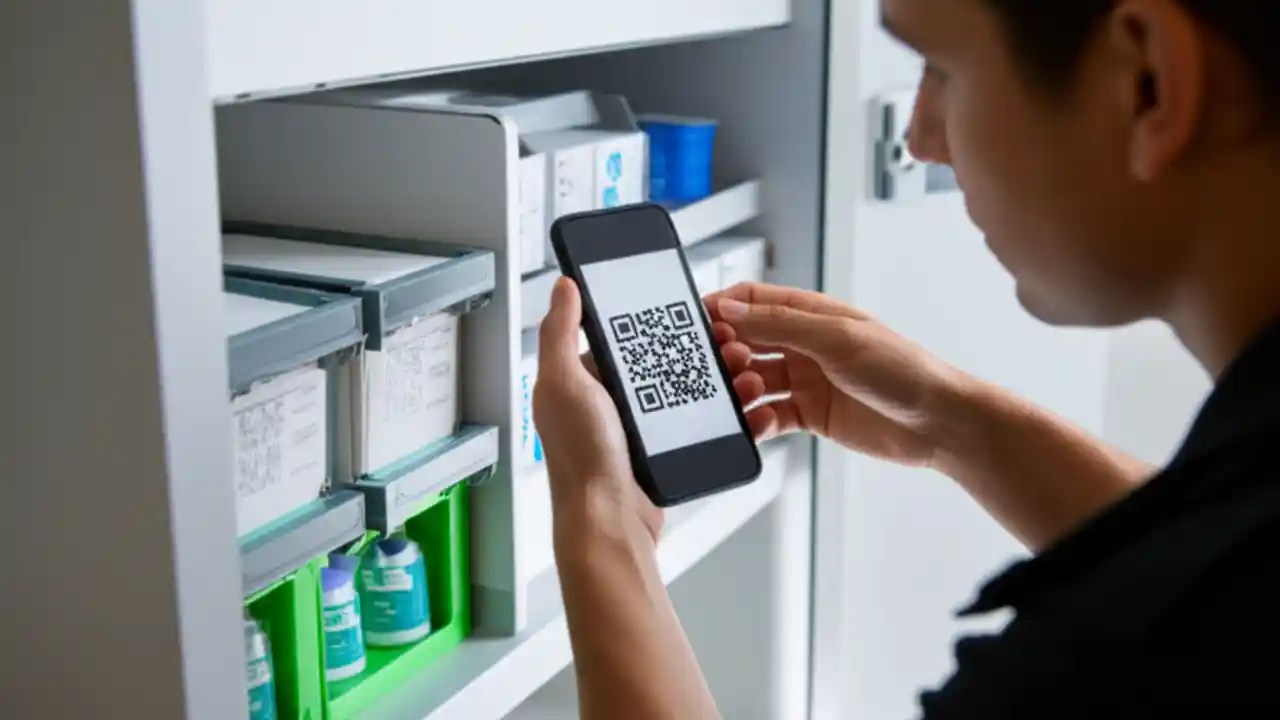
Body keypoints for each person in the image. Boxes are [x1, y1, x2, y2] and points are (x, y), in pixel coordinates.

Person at [532, 0, 1280, 716]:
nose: (921, 139)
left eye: (944, 68)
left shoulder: (1106, 674)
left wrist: (603, 522)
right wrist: (944, 420)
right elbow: (1214, 568)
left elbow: (1187, 595)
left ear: (1148, 80)